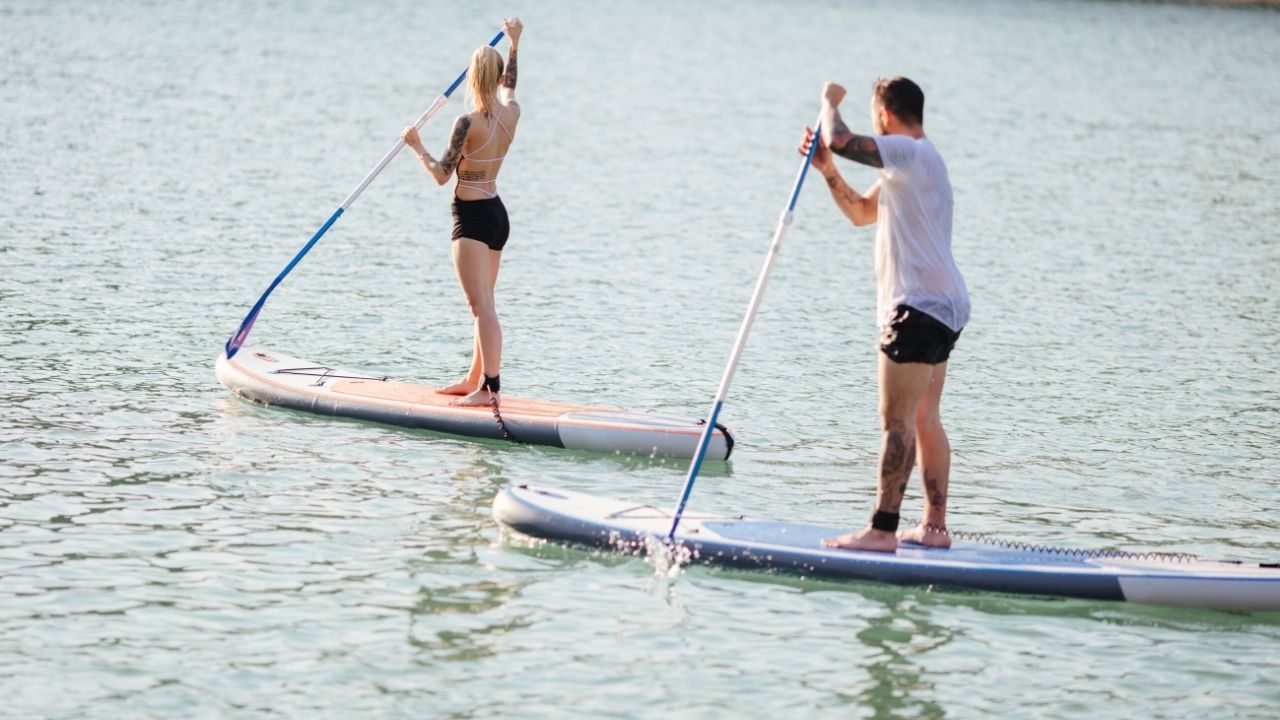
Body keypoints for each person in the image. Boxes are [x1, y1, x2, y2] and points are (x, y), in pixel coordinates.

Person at [800, 77, 970, 553]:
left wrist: (829, 102)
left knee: (894, 420)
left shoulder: (909, 153)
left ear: (885, 116)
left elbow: (838, 136)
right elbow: (859, 213)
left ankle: (882, 529)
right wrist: (827, 171)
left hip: (916, 308)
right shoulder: (914, 167)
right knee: (923, 417)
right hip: (945, 306)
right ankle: (934, 528)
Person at [401, 17, 522, 407]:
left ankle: (489, 388)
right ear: (499, 75)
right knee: (485, 302)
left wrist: (415, 145)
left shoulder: (466, 122)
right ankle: (474, 377)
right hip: (498, 214)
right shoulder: (512, 112)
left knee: (480, 306)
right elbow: (510, 85)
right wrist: (515, 43)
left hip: (471, 219)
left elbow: (440, 175)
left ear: (473, 78)